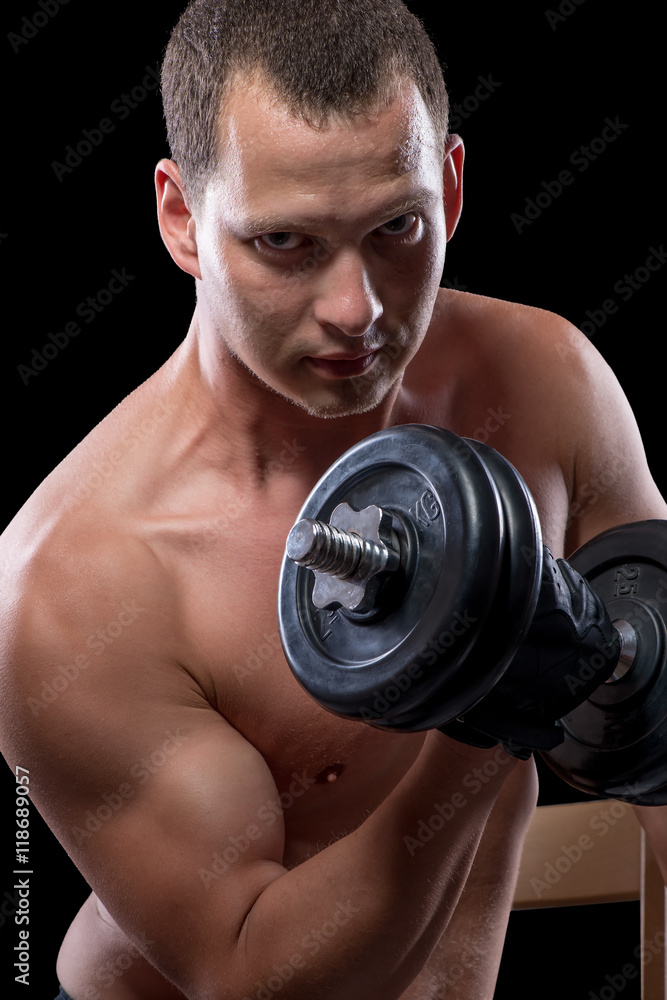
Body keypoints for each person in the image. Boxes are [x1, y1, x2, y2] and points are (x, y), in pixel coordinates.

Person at [0, 1, 665, 998]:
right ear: (181, 218)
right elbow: (253, 975)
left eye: (395, 226)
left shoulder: (540, 383)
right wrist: (487, 718)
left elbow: (654, 734)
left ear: (446, 187)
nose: (357, 309)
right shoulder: (73, 585)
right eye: (284, 244)